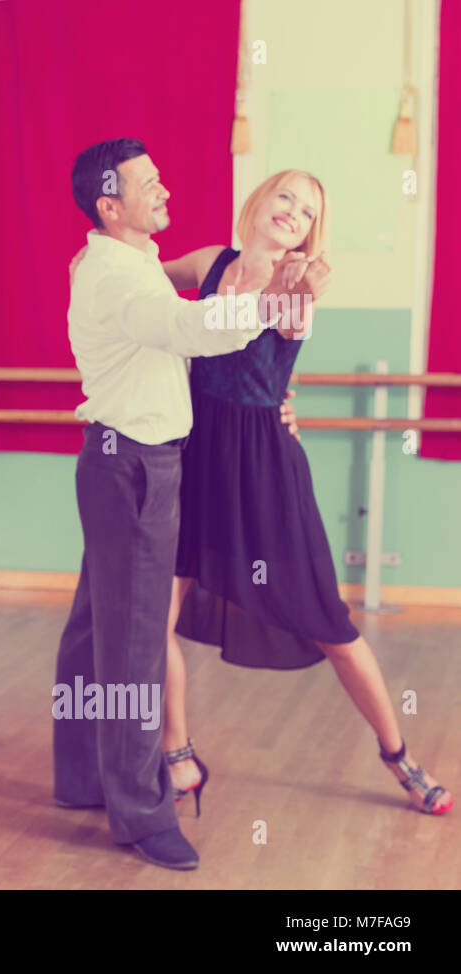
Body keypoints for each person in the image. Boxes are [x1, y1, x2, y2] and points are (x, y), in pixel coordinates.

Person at [54, 138, 326, 871]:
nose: (165, 190)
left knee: (93, 628)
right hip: (135, 467)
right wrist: (263, 304)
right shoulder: (119, 276)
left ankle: (83, 774)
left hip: (124, 462)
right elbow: (187, 328)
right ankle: (142, 814)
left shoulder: (128, 259)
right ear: (111, 205)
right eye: (150, 183)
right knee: (136, 642)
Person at [162, 170, 452, 816]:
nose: (294, 211)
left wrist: (283, 364)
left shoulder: (296, 288)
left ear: (310, 233)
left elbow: (269, 326)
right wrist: (101, 252)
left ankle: (399, 753)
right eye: (285, 196)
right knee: (158, 609)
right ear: (258, 202)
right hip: (195, 451)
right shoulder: (211, 261)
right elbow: (146, 281)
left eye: (308, 209)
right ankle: (178, 753)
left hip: (265, 465)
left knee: (330, 623)